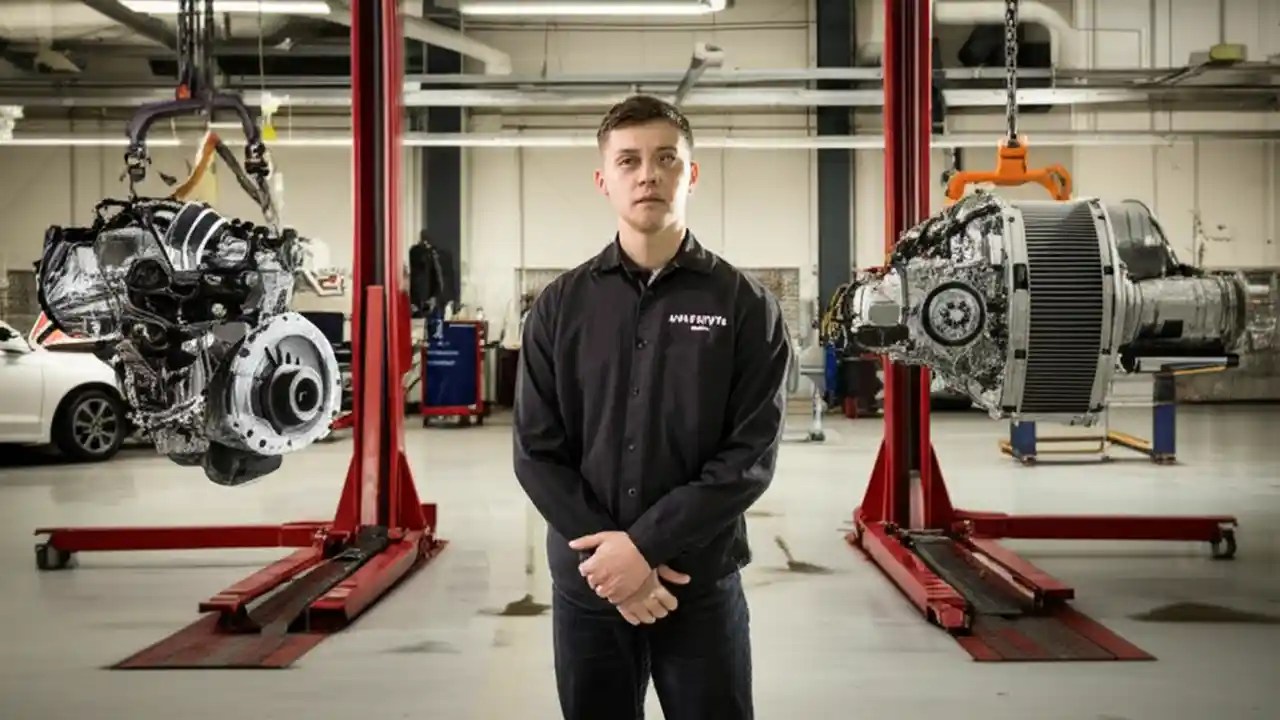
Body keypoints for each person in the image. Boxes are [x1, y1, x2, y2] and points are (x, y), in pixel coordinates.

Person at [512, 94, 792, 720]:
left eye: (666, 158)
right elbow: (536, 452)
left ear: (691, 173)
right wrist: (614, 560)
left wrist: (643, 550)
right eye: (629, 160)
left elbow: (750, 456)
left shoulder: (745, 306)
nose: (648, 174)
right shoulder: (559, 308)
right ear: (603, 179)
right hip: (591, 585)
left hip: (697, 584)